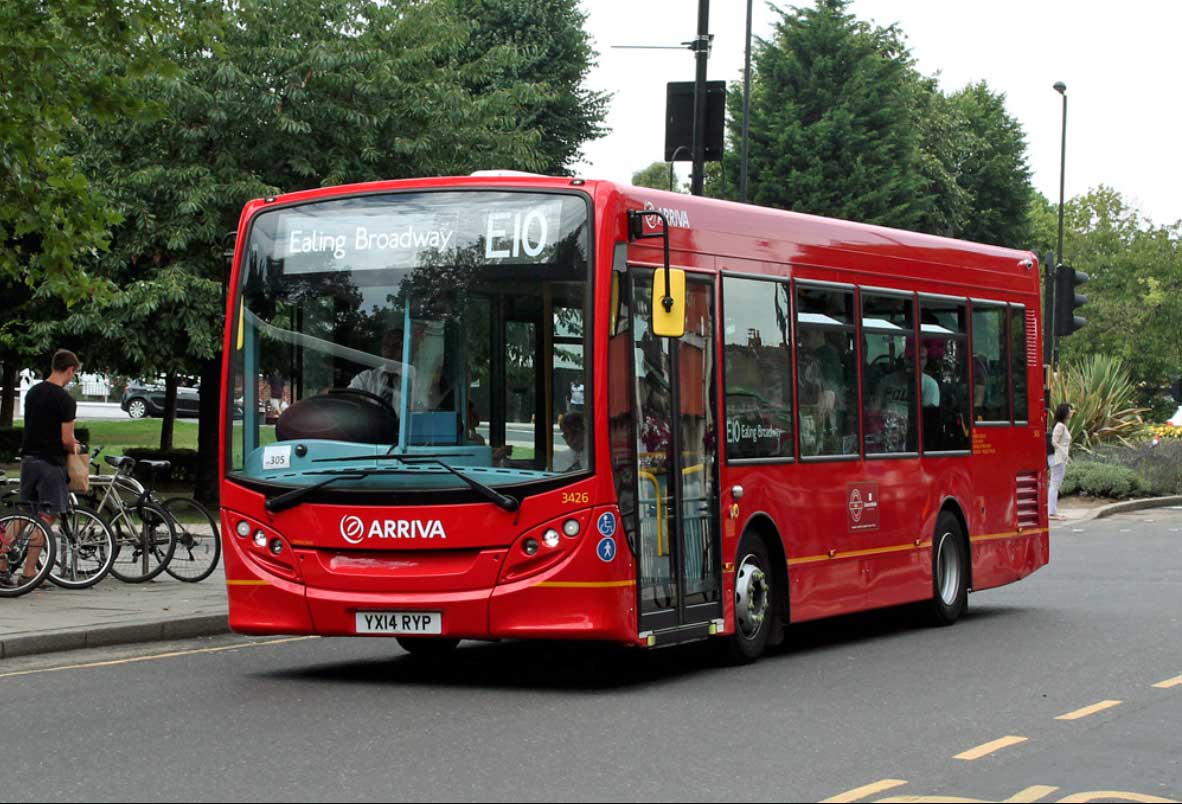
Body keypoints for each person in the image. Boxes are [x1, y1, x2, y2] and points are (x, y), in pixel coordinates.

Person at [1, 349, 81, 588]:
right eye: (73, 374)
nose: (71, 378)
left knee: (25, 513)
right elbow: (66, 438)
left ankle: (2, 566)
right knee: (45, 518)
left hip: (29, 460)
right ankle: (29, 574)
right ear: (70, 370)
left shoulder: (33, 392)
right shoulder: (65, 400)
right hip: (50, 463)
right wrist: (75, 446)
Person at [349, 328, 408, 411]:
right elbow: (347, 401)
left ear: (406, 350)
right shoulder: (366, 378)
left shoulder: (412, 382)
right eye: (386, 345)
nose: (389, 350)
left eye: (396, 346)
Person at [1048, 403, 1074, 520]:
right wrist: (1065, 455)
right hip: (1057, 458)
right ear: (1064, 413)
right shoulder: (1060, 426)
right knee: (1054, 485)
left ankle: (1053, 511)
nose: (1071, 412)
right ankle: (1052, 513)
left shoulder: (1061, 425)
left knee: (1055, 484)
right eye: (1069, 410)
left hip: (1058, 457)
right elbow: (1054, 441)